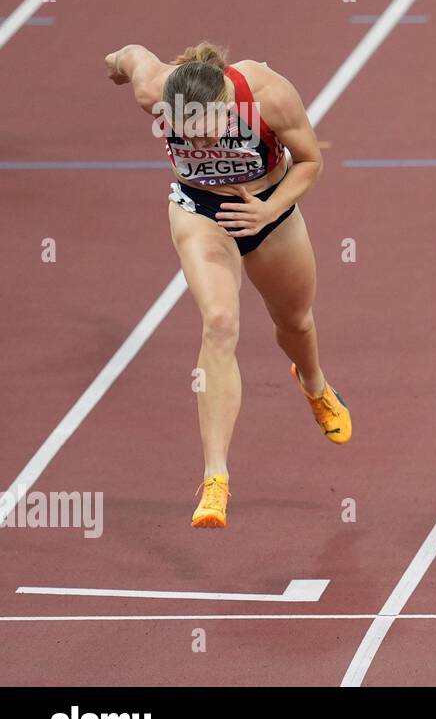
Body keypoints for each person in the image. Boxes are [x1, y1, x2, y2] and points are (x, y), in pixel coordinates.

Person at [105, 41, 352, 528]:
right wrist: (115, 67)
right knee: (219, 323)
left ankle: (314, 384)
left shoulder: (268, 94)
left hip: (268, 211)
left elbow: (310, 162)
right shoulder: (155, 88)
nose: (196, 144)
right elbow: (130, 54)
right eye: (185, 135)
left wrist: (269, 208)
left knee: (296, 322)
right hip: (201, 212)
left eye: (205, 132)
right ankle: (215, 480)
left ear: (226, 106)